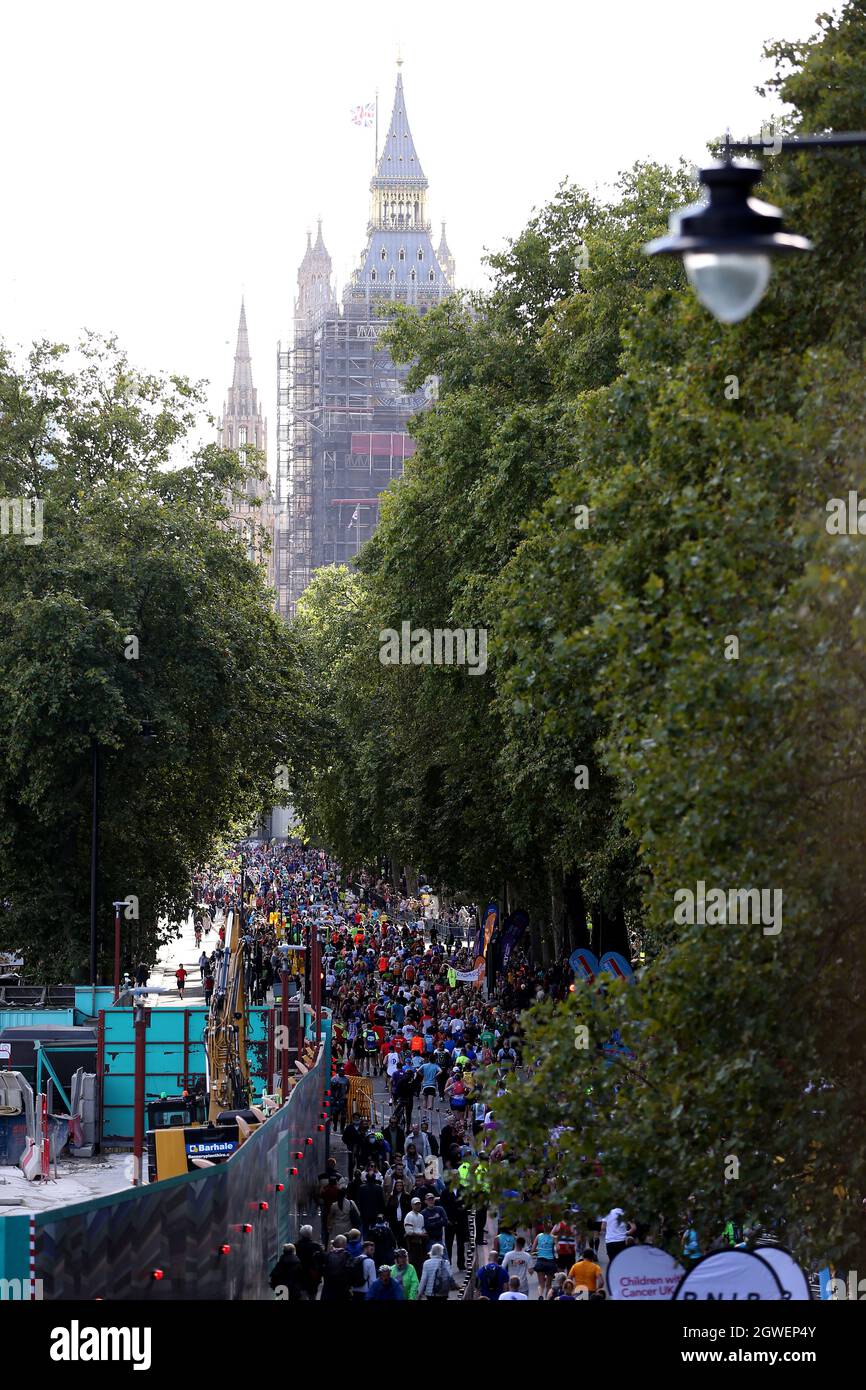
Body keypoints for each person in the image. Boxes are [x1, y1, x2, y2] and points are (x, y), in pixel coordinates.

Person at [295, 1225, 324, 1301]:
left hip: (300, 1275)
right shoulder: (316, 1246)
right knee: (312, 1296)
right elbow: (322, 1260)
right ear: (311, 1234)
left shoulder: (296, 1246)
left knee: (302, 1295)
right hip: (313, 1276)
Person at [321, 1235, 351, 1302]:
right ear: (344, 1244)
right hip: (342, 1289)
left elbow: (322, 1269)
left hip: (328, 1288)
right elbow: (350, 1272)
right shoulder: (347, 1256)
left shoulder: (327, 1255)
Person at [531, 1223, 558, 1298]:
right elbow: (558, 1248)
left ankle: (540, 1295)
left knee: (541, 1283)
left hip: (540, 1261)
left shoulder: (538, 1236)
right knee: (548, 1284)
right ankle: (547, 1298)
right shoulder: (553, 1237)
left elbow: (532, 1249)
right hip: (550, 1261)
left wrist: (539, 1250)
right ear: (551, 1228)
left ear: (543, 1228)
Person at [404, 1196, 427, 1275]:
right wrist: (420, 1234)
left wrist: (424, 1234)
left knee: (420, 1262)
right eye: (416, 1204)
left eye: (419, 1204)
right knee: (414, 1262)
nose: (418, 1206)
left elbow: (422, 1228)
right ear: (412, 1205)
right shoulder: (409, 1216)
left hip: (420, 1242)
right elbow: (409, 1232)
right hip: (412, 1242)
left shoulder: (421, 1216)